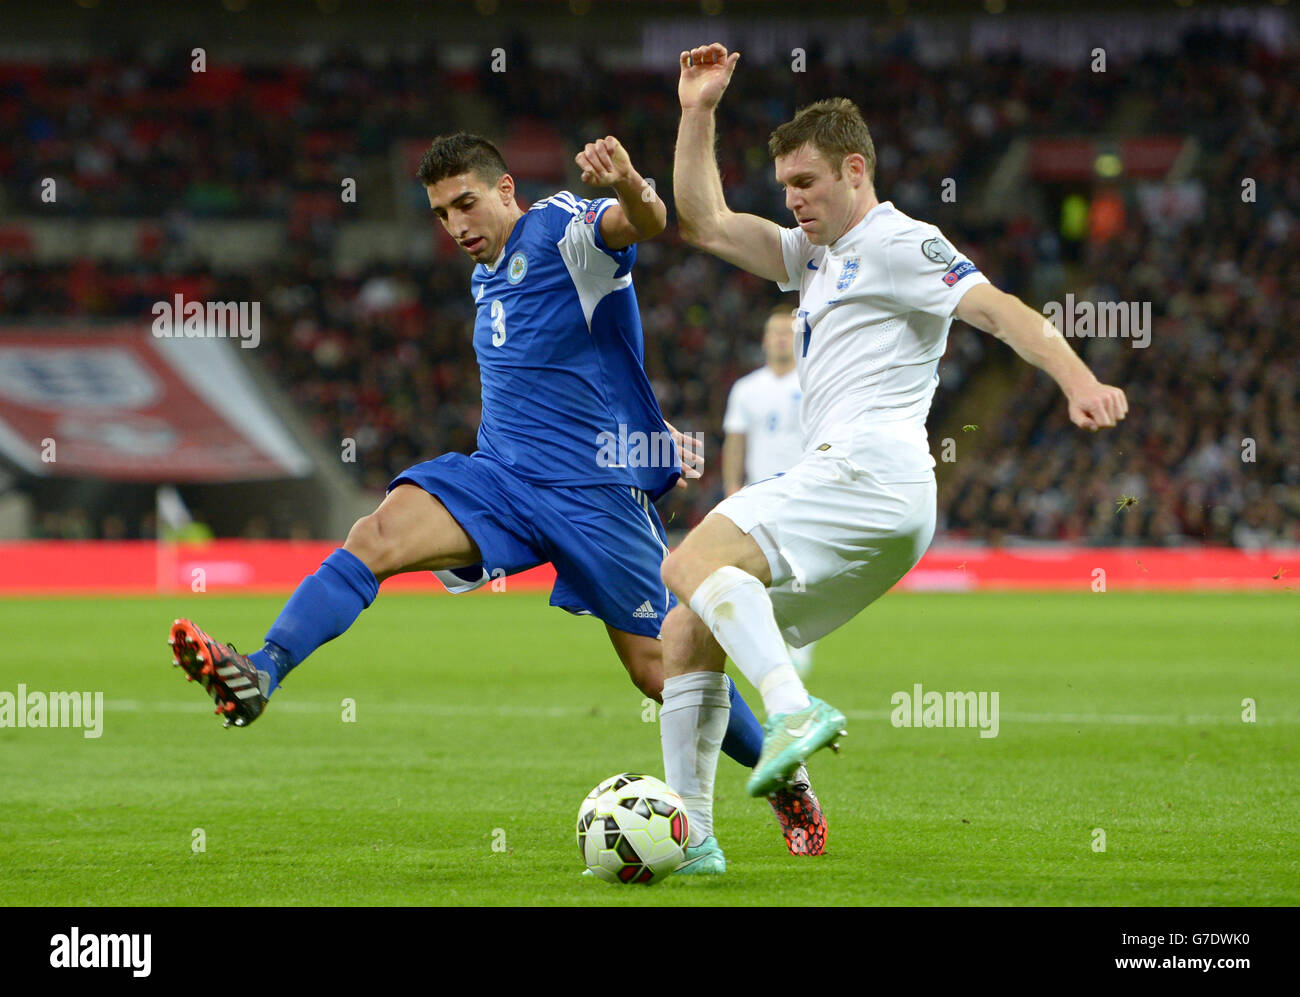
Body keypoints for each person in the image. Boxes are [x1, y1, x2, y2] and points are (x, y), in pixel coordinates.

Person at [166, 131, 819, 857]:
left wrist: (630, 181)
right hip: (499, 477)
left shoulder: (564, 229)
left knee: (660, 671)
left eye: (466, 204)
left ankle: (783, 779)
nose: (457, 226)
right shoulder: (487, 273)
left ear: (507, 190)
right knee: (372, 537)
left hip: (595, 496)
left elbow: (647, 221)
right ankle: (262, 669)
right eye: (442, 213)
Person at [657, 43, 1129, 868]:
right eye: (786, 189)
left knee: (686, 559)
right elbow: (702, 221)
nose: (794, 201)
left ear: (853, 169)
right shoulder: (815, 258)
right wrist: (699, 110)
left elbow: (1002, 310)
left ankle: (793, 711)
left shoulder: (901, 241)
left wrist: (1078, 377)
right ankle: (692, 838)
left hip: (871, 469)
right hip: (870, 498)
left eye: (806, 184)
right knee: (687, 626)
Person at [722, 302, 818, 680]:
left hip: (805, 490)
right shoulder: (746, 389)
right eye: (775, 332)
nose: (781, 339)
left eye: (788, 333)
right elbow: (735, 441)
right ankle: (769, 645)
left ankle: (801, 643)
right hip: (760, 492)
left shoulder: (812, 384)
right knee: (758, 574)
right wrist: (732, 486)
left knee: (802, 572)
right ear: (764, 341)